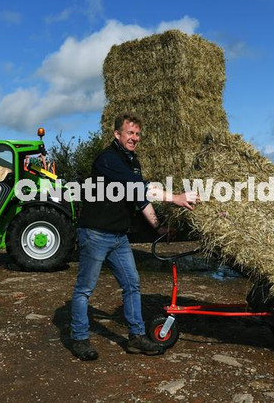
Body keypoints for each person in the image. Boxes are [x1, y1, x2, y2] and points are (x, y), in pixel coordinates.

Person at [70, 113, 198, 361]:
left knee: (132, 284)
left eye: (138, 134)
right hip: (95, 233)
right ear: (117, 134)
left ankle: (136, 338)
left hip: (119, 236)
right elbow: (139, 188)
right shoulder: (107, 160)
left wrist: (158, 228)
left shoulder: (132, 162)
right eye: (130, 133)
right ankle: (79, 338)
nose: (135, 138)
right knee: (85, 290)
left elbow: (140, 199)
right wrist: (176, 197)